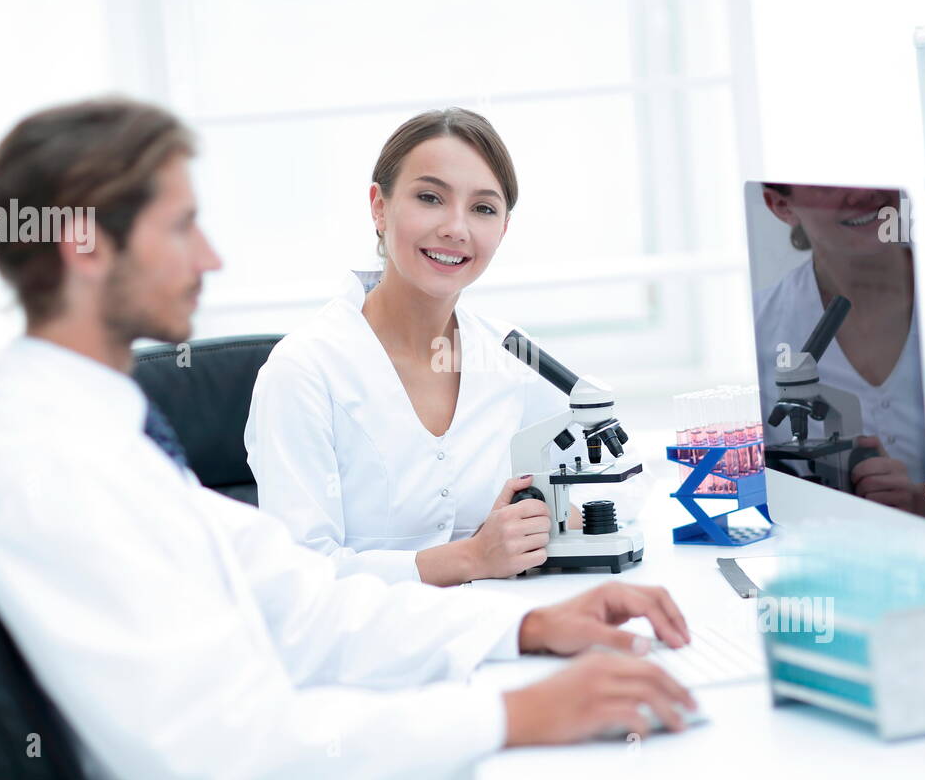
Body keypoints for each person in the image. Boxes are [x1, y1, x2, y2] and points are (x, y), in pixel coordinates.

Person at [0, 97, 695, 780]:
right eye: (181, 226)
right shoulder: (50, 470)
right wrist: (513, 718)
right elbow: (214, 750)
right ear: (86, 246)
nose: (211, 258)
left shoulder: (110, 439)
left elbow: (303, 603)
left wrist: (524, 627)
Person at [246, 108, 647, 586]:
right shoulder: (303, 372)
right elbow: (299, 577)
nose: (456, 228)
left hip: (506, 631)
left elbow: (618, 487)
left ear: (503, 229)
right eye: (430, 198)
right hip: (369, 653)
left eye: (482, 208)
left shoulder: (511, 356)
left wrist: (552, 519)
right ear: (379, 206)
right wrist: (472, 557)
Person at [755, 183, 925, 518]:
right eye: (828, 184)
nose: (861, 194)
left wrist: (923, 502)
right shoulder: (759, 324)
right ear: (781, 205)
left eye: (873, 172)